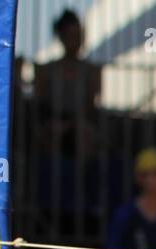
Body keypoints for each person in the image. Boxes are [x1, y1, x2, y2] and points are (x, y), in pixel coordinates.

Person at [33, 8, 102, 156]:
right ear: (62, 37)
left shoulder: (92, 71)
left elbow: (91, 104)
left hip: (81, 124)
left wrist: (73, 123)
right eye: (72, 36)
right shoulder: (45, 70)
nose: (77, 41)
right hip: (52, 122)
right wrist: (56, 123)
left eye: (79, 36)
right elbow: (40, 102)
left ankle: (82, 177)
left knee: (84, 134)